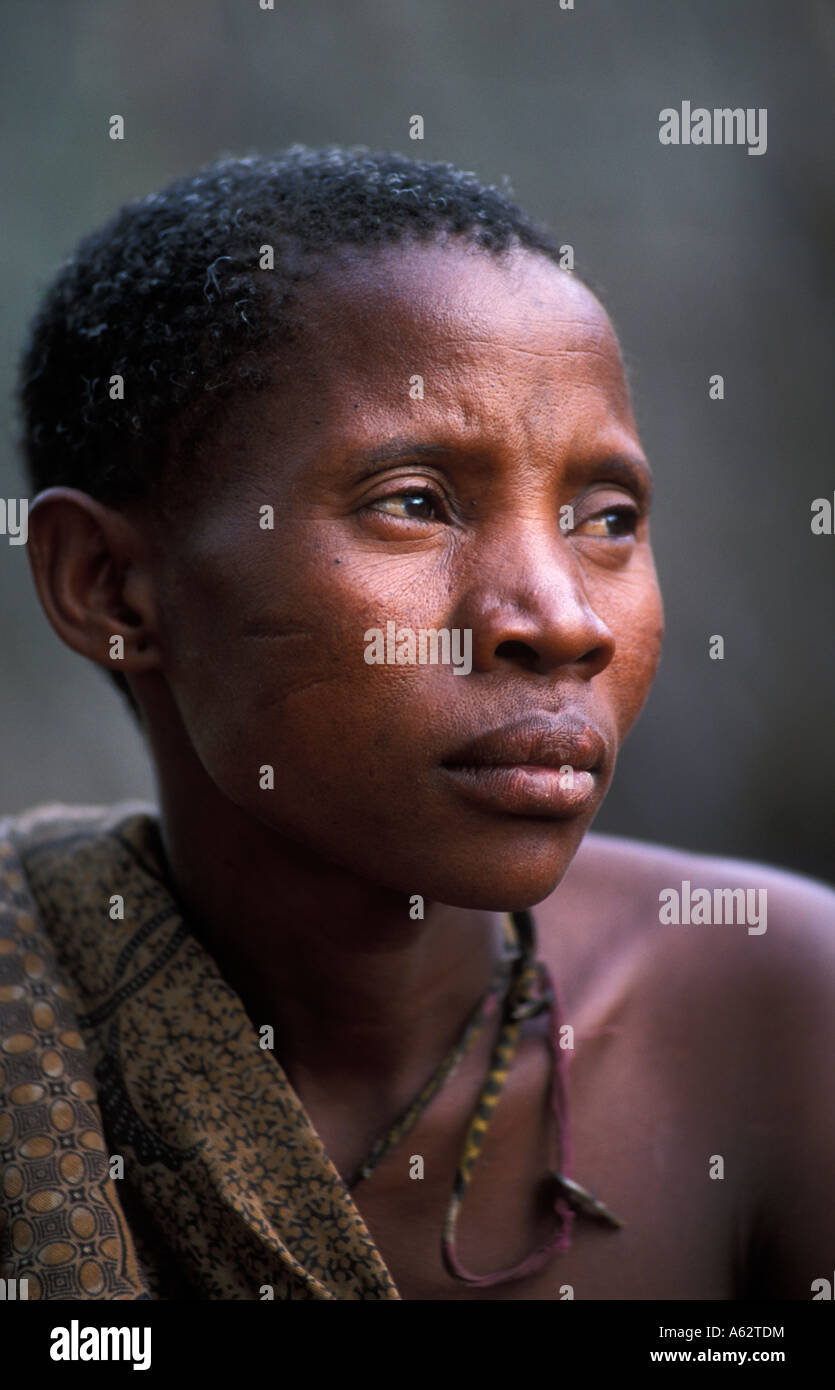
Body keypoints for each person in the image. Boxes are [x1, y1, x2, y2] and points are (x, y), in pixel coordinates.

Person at [2, 147, 833, 1302]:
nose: (562, 619)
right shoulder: (26, 1029)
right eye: (412, 502)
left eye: (605, 517)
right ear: (110, 587)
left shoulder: (780, 1012)